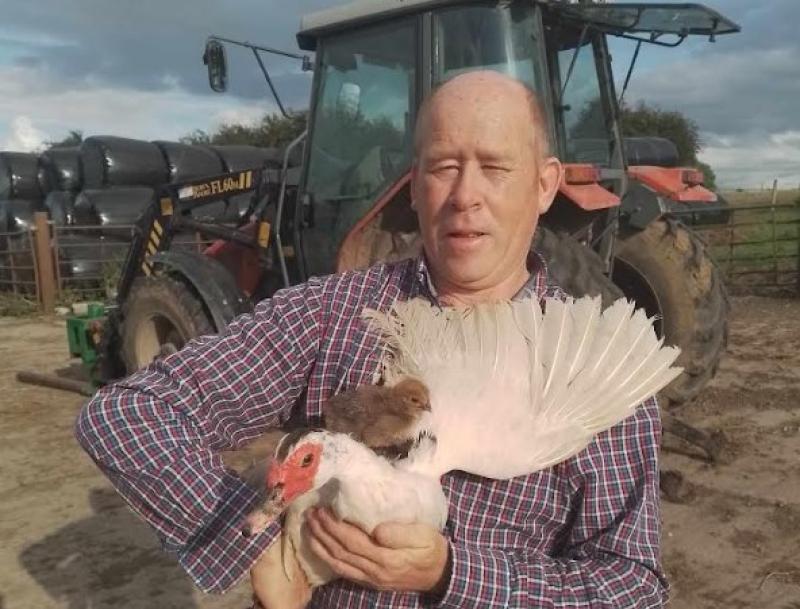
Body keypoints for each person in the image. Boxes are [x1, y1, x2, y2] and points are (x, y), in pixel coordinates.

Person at [76, 71, 667, 608]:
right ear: (412, 187)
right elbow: (127, 413)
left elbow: (632, 589)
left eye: (495, 166)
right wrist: (252, 541)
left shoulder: (597, 366)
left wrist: (452, 574)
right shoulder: (331, 315)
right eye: (442, 167)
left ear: (544, 186)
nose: (465, 195)